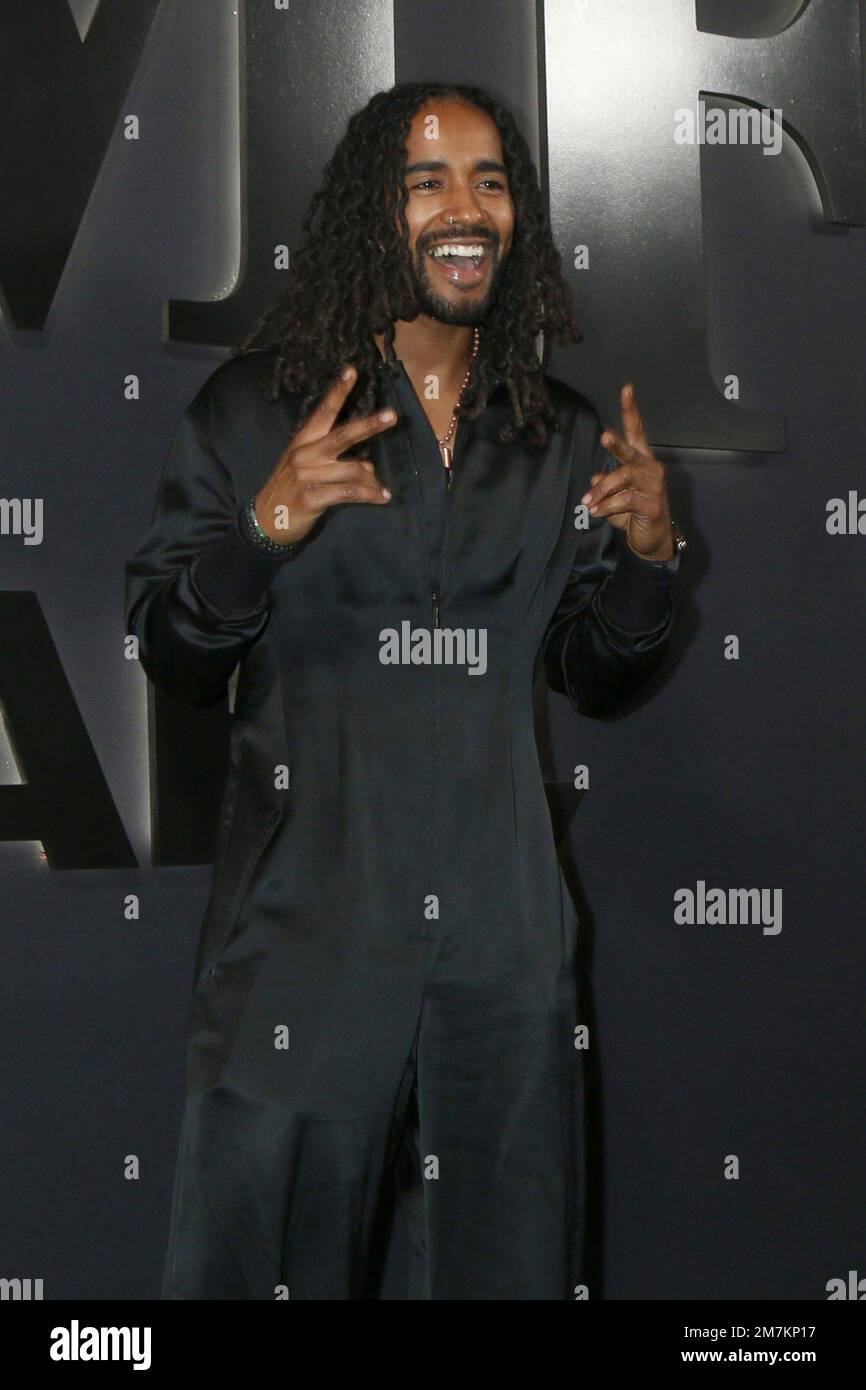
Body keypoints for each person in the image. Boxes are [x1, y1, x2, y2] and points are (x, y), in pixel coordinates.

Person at [125, 80, 685, 1301]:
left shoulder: (560, 436)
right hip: (304, 955)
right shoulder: (254, 414)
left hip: (499, 963)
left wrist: (647, 565)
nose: (461, 206)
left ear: (517, 218)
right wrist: (262, 531)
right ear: (372, 213)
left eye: (488, 180)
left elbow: (596, 674)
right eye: (426, 179)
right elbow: (172, 655)